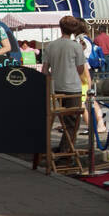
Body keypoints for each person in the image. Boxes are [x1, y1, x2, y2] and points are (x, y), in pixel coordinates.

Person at [42, 15, 90, 151]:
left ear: (61, 28)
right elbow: (80, 70)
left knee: (57, 120)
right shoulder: (76, 47)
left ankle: (57, 148)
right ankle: (66, 152)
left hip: (56, 87)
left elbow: (45, 70)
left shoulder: (51, 45)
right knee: (72, 122)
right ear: (74, 30)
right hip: (72, 88)